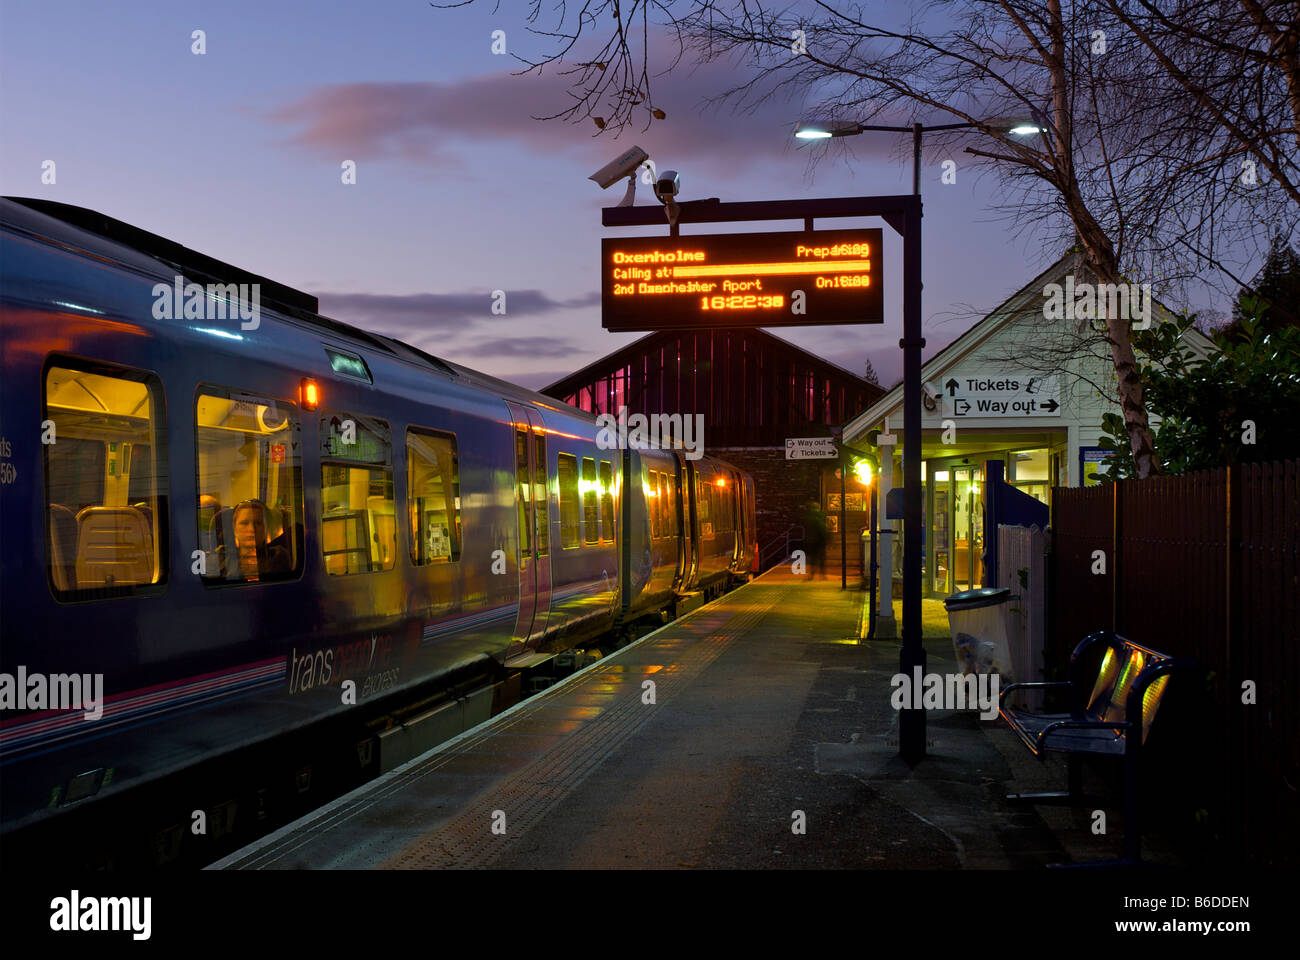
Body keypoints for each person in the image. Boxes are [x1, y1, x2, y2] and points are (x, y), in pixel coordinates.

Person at [228, 499, 292, 579]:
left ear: (266, 528)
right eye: (244, 523)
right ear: (234, 529)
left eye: (258, 523)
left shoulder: (277, 556)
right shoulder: (224, 559)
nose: (252, 529)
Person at [801, 500, 828, 580]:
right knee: (822, 558)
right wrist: (827, 538)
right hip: (821, 540)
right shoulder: (821, 515)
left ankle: (811, 574)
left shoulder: (808, 516)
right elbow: (823, 528)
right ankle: (822, 575)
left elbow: (806, 528)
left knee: (813, 558)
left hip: (811, 540)